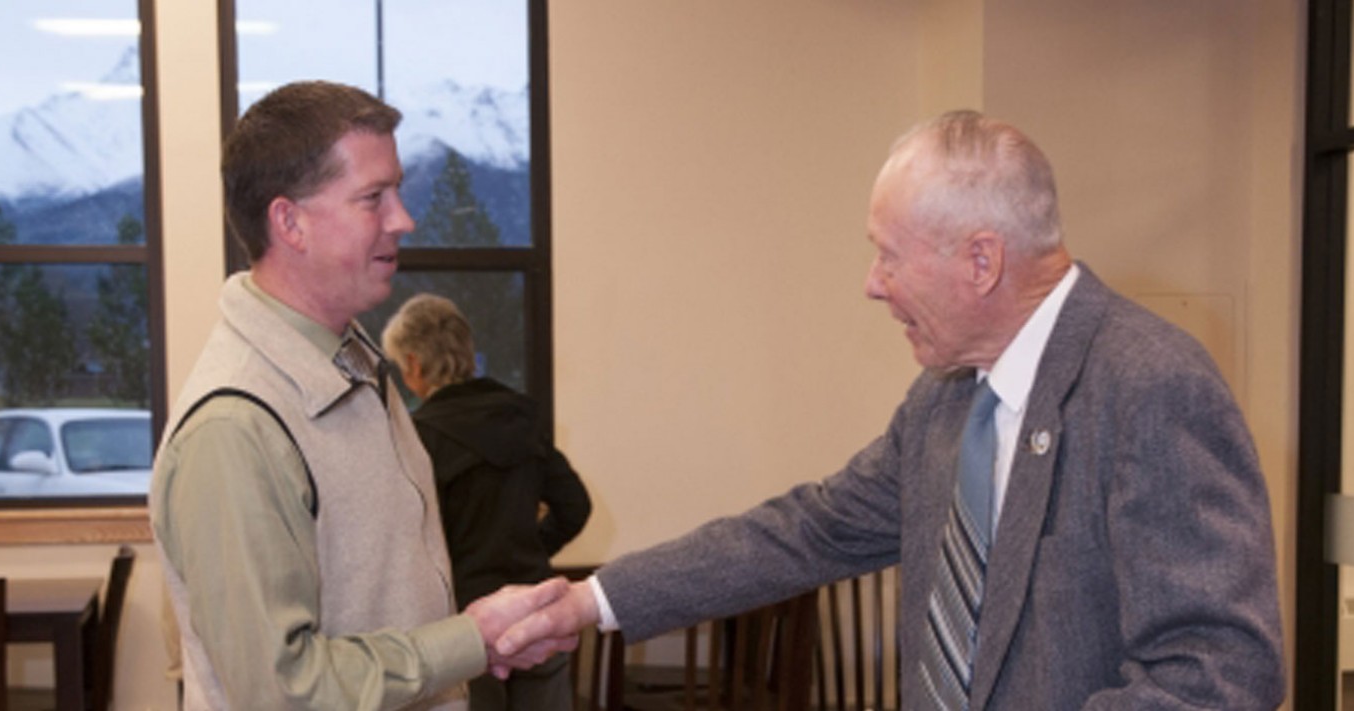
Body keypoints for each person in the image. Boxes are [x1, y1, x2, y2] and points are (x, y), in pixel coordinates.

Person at [499, 111, 1286, 709]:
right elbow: (809, 531)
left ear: (982, 260)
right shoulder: (946, 400)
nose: (872, 284)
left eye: (889, 254)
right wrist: (588, 601)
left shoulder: (1151, 383)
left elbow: (1219, 671)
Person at [149, 80, 571, 711]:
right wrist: (469, 641)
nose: (403, 219)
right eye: (374, 198)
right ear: (289, 222)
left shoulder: (353, 366)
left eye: (396, 192)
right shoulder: (234, 429)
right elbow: (280, 691)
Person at [382, 293, 594, 711]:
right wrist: (532, 550)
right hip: (536, 606)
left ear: (414, 365)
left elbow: (407, 539)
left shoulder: (419, 438)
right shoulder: (522, 419)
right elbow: (575, 506)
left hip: (465, 623)